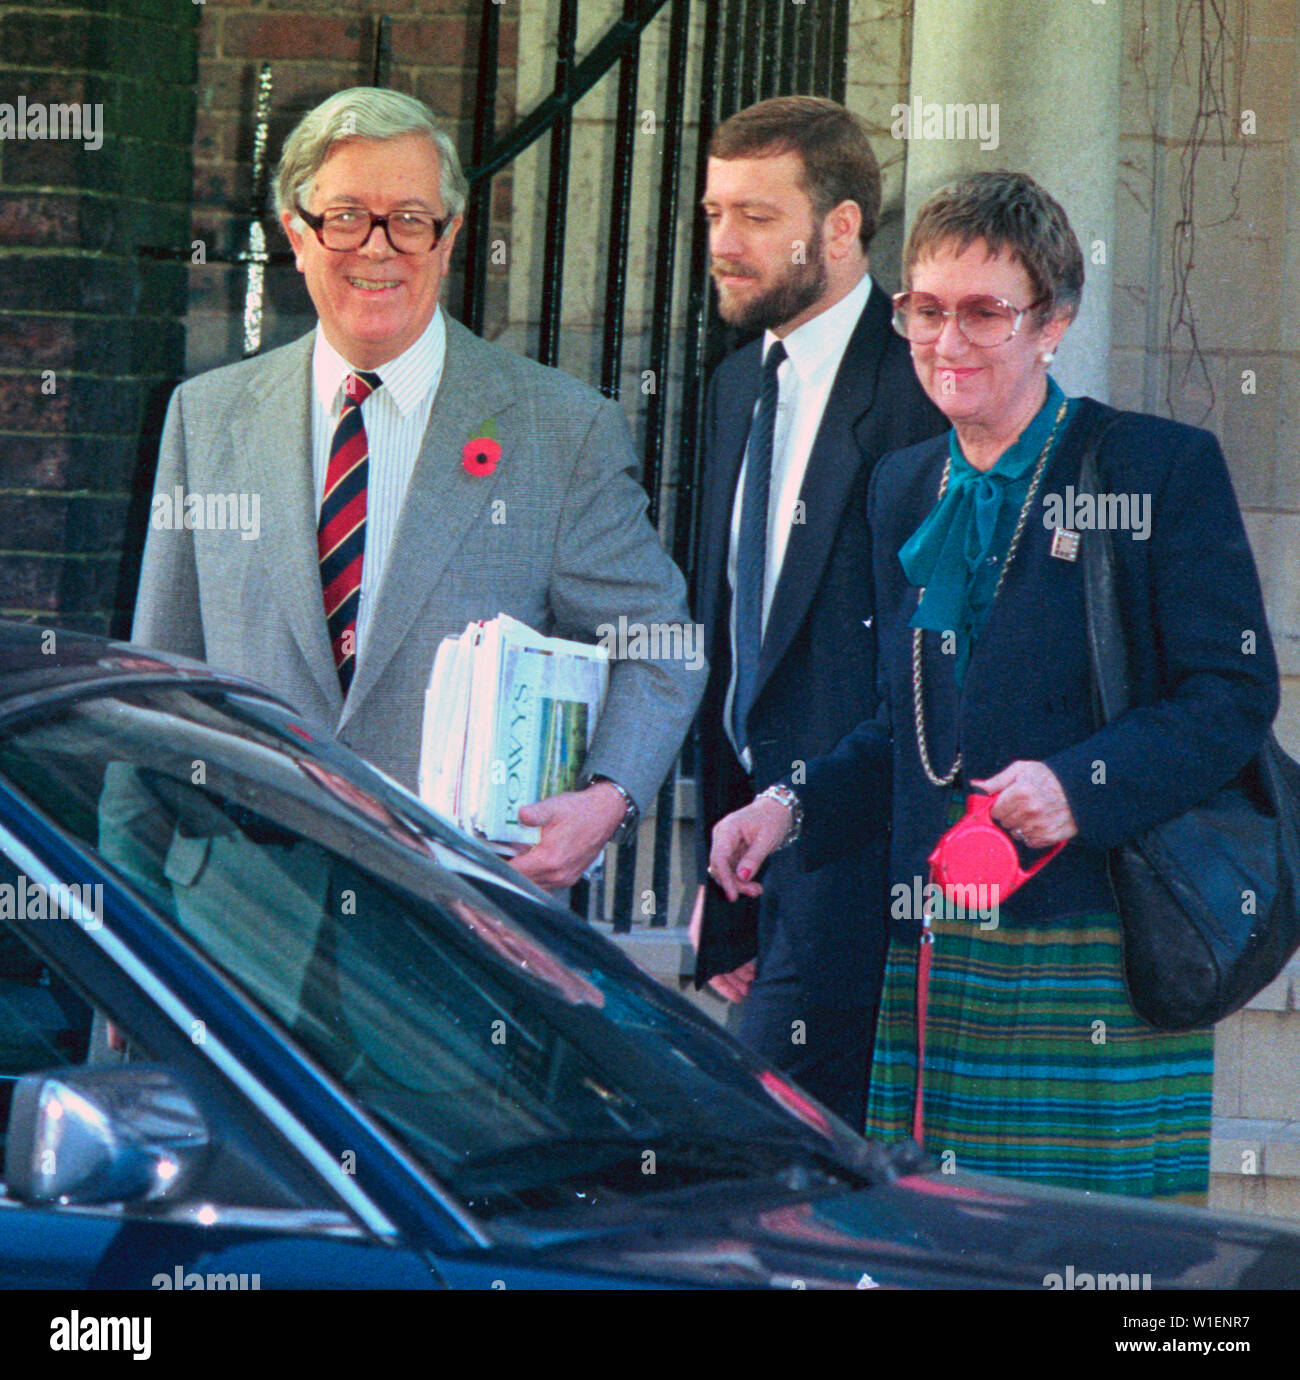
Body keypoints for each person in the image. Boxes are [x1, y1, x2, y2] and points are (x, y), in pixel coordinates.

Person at [708, 170, 1279, 1198]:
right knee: (947, 1249)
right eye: (925, 310)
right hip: (934, 940)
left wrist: (1078, 786)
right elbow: (907, 728)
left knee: (1086, 1260)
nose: (947, 340)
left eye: (984, 313)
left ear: (1052, 321)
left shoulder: (1152, 468)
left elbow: (1231, 695)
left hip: (1094, 944)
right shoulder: (905, 486)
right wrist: (789, 807)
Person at [132, 87, 704, 891]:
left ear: (451, 238)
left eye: (409, 219)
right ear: (296, 234)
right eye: (344, 217)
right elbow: (157, 685)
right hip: (236, 923)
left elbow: (660, 645)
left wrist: (608, 797)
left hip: (457, 922)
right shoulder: (205, 417)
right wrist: (125, 940)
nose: (378, 248)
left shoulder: (558, 430)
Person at [691, 97, 944, 1126]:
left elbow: (932, 665)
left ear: (841, 228)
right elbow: (734, 640)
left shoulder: (923, 390)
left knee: (763, 1162)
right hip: (764, 871)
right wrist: (734, 886)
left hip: (872, 871)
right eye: (712, 213)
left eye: (755, 216)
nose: (721, 243)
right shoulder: (729, 388)